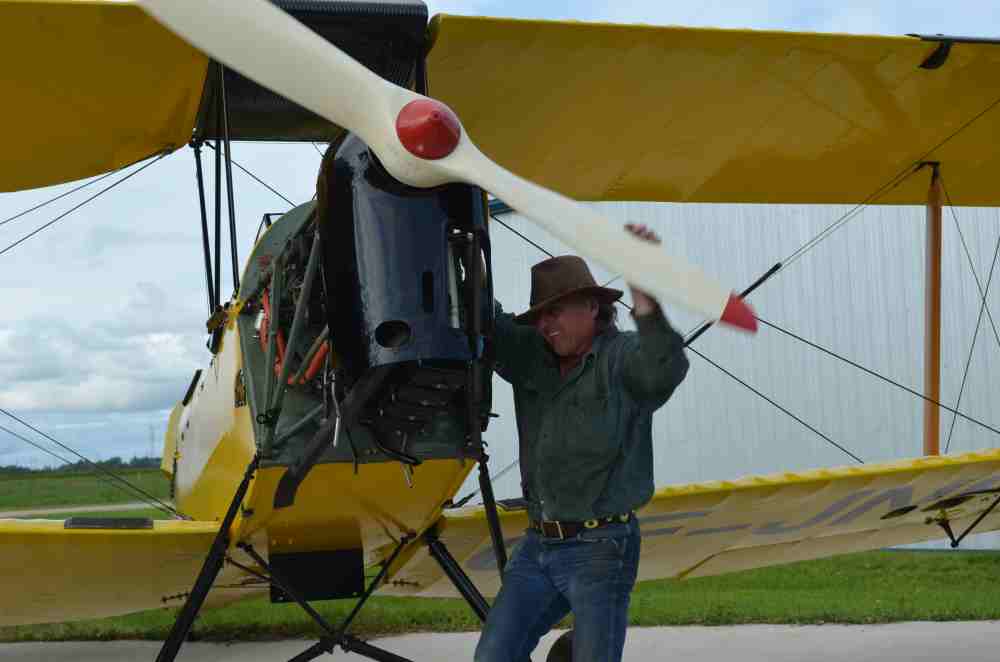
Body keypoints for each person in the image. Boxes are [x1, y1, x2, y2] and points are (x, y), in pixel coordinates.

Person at [475, 224, 690, 662]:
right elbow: (485, 320)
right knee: (493, 657)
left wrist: (644, 293)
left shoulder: (623, 359)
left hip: (601, 547)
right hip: (537, 545)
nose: (545, 325)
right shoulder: (531, 355)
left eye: (555, 312)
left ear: (593, 307)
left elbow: (663, 366)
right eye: (539, 316)